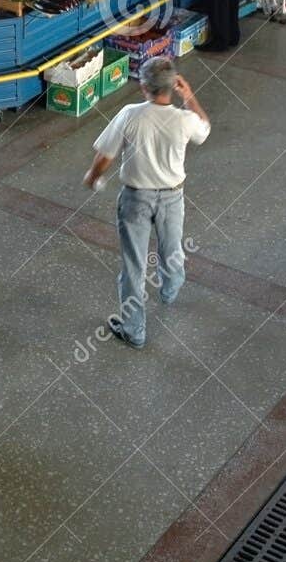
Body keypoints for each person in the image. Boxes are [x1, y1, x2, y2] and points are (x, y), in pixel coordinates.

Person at [82, 57, 209, 350]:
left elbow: (105, 156)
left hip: (135, 198)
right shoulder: (184, 119)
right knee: (171, 249)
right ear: (173, 86)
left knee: (134, 265)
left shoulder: (130, 115)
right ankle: (171, 288)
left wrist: (93, 177)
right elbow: (204, 128)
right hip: (172, 197)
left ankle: (134, 330)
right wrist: (188, 96)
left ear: (143, 86)